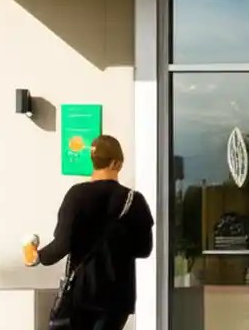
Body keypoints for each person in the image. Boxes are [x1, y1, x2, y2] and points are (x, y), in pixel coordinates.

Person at [23, 135, 154, 330]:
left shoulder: (76, 195)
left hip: (82, 293)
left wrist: (37, 256)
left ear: (93, 161)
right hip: (118, 297)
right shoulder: (134, 200)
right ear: (116, 163)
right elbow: (144, 249)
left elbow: (62, 245)